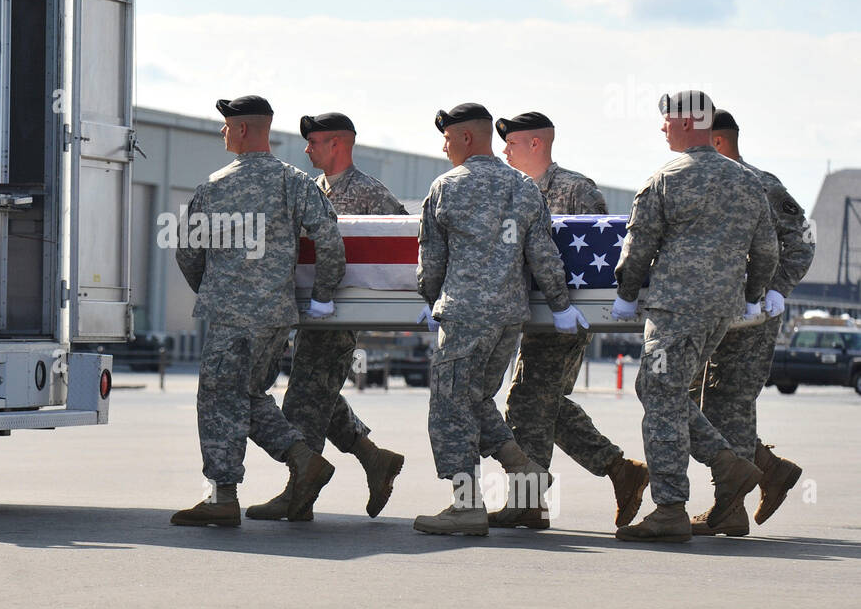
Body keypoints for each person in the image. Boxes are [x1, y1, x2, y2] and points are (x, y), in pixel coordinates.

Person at [170, 95, 346, 527]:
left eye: (227, 126)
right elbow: (330, 240)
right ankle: (303, 459)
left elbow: (188, 254)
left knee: (218, 400)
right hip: (276, 314)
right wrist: (322, 295)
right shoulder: (295, 181)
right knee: (246, 396)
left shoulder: (214, 187)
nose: (223, 132)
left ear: (244, 129)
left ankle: (222, 496)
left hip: (231, 316)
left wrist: (213, 290)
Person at [413, 103, 588, 536]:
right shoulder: (523, 187)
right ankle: (524, 469)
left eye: (449, 137)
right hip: (509, 317)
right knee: (473, 399)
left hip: (465, 313)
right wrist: (561, 305)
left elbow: (431, 260)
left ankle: (465, 504)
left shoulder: (447, 188)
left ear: (467, 138)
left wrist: (430, 298)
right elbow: (543, 255)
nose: (444, 146)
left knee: (450, 407)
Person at [613, 92, 779, 543]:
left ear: (687, 122)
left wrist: (627, 295)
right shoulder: (747, 182)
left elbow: (639, 245)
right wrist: (751, 295)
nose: (662, 128)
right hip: (719, 311)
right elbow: (767, 248)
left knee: (658, 393)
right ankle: (729, 465)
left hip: (675, 307)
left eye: (666, 120)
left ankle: (670, 508)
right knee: (661, 389)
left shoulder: (668, 178)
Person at [490, 111, 650, 530]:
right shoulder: (512, 191)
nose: (504, 150)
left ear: (536, 144)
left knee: (527, 402)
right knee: (542, 404)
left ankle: (530, 501)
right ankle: (618, 470)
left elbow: (598, 259)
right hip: (530, 316)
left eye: (512, 143)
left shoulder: (577, 190)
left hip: (565, 318)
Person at [247, 112, 407, 521]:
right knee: (318, 396)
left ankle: (298, 493)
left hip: (340, 316)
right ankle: (374, 458)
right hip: (310, 313)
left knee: (303, 399)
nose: (306, 149)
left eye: (314, 142)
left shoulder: (372, 194)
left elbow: (401, 246)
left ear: (337, 143)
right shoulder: (312, 189)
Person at [687, 108, 815, 535]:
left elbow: (803, 240)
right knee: (696, 399)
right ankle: (769, 467)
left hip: (753, 313)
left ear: (717, 142)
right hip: (712, 309)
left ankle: (730, 509)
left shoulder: (761, 184)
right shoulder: (706, 183)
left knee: (731, 400)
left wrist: (777, 288)